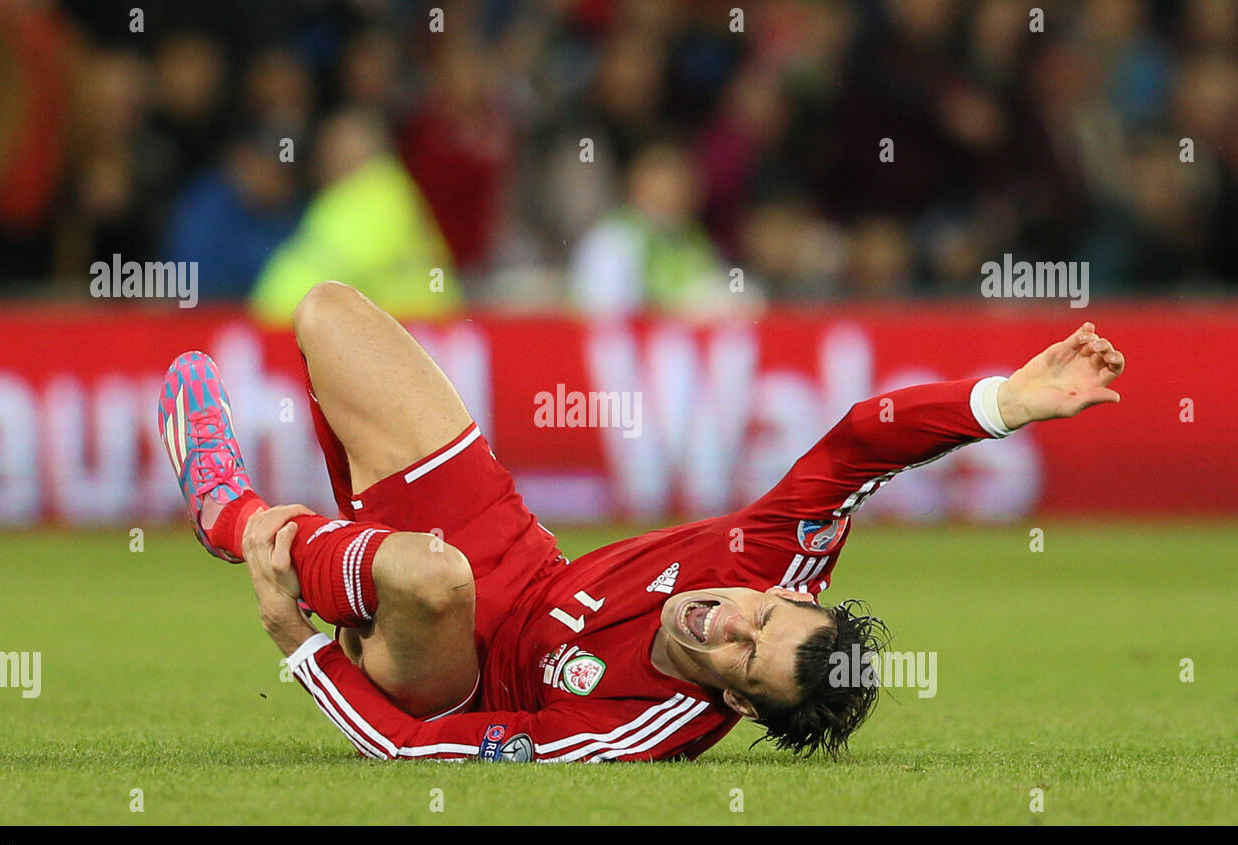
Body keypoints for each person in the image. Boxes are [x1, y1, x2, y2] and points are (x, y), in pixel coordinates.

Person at [157, 281, 1125, 762]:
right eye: (767, 617)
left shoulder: (635, 729)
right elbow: (858, 444)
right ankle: (295, 534)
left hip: (445, 676)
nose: (730, 621)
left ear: (738, 706)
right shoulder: (771, 558)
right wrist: (1008, 400)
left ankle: (230, 515)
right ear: (789, 594)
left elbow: (417, 751)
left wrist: (300, 649)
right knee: (328, 313)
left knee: (432, 578)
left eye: (746, 657)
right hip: (506, 545)